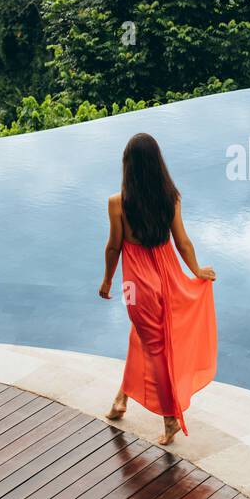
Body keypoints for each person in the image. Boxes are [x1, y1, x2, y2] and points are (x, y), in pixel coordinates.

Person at [99, 133, 217, 445]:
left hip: (135, 286)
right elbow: (183, 242)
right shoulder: (171, 197)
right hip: (169, 278)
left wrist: (108, 280)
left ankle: (169, 417)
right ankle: (120, 401)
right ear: (157, 165)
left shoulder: (117, 203)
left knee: (153, 347)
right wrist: (197, 271)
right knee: (140, 337)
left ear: (128, 166)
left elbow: (113, 248)